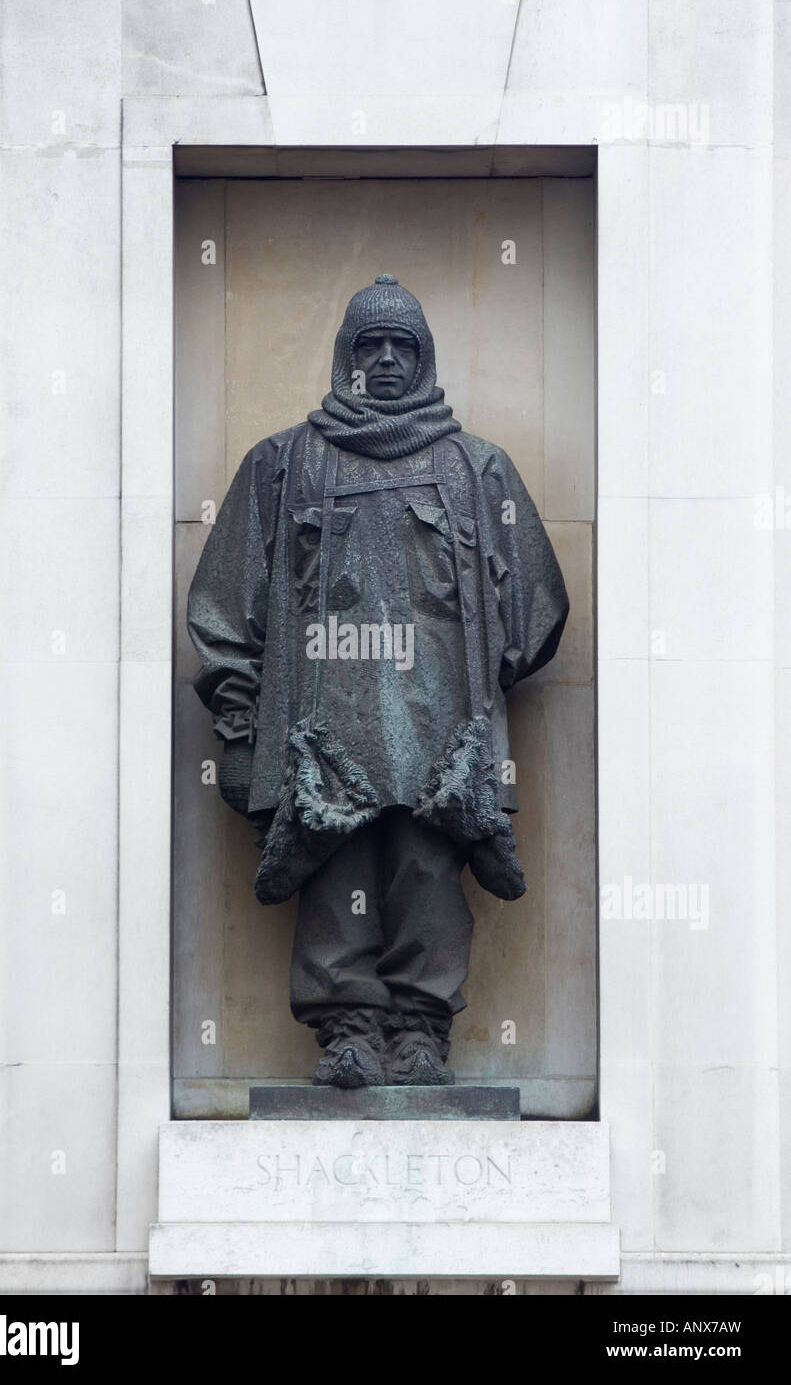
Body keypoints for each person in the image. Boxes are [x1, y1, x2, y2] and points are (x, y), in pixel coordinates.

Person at [187, 274, 569, 1088]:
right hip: (320, 733)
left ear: (424, 358)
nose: (387, 359)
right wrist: (241, 724)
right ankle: (349, 1032)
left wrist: (469, 680)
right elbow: (225, 604)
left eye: (403, 345)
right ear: (346, 357)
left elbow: (535, 603)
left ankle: (421, 1031)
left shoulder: (476, 469)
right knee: (334, 874)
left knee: (428, 875)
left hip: (442, 733)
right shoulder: (282, 464)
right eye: (371, 345)